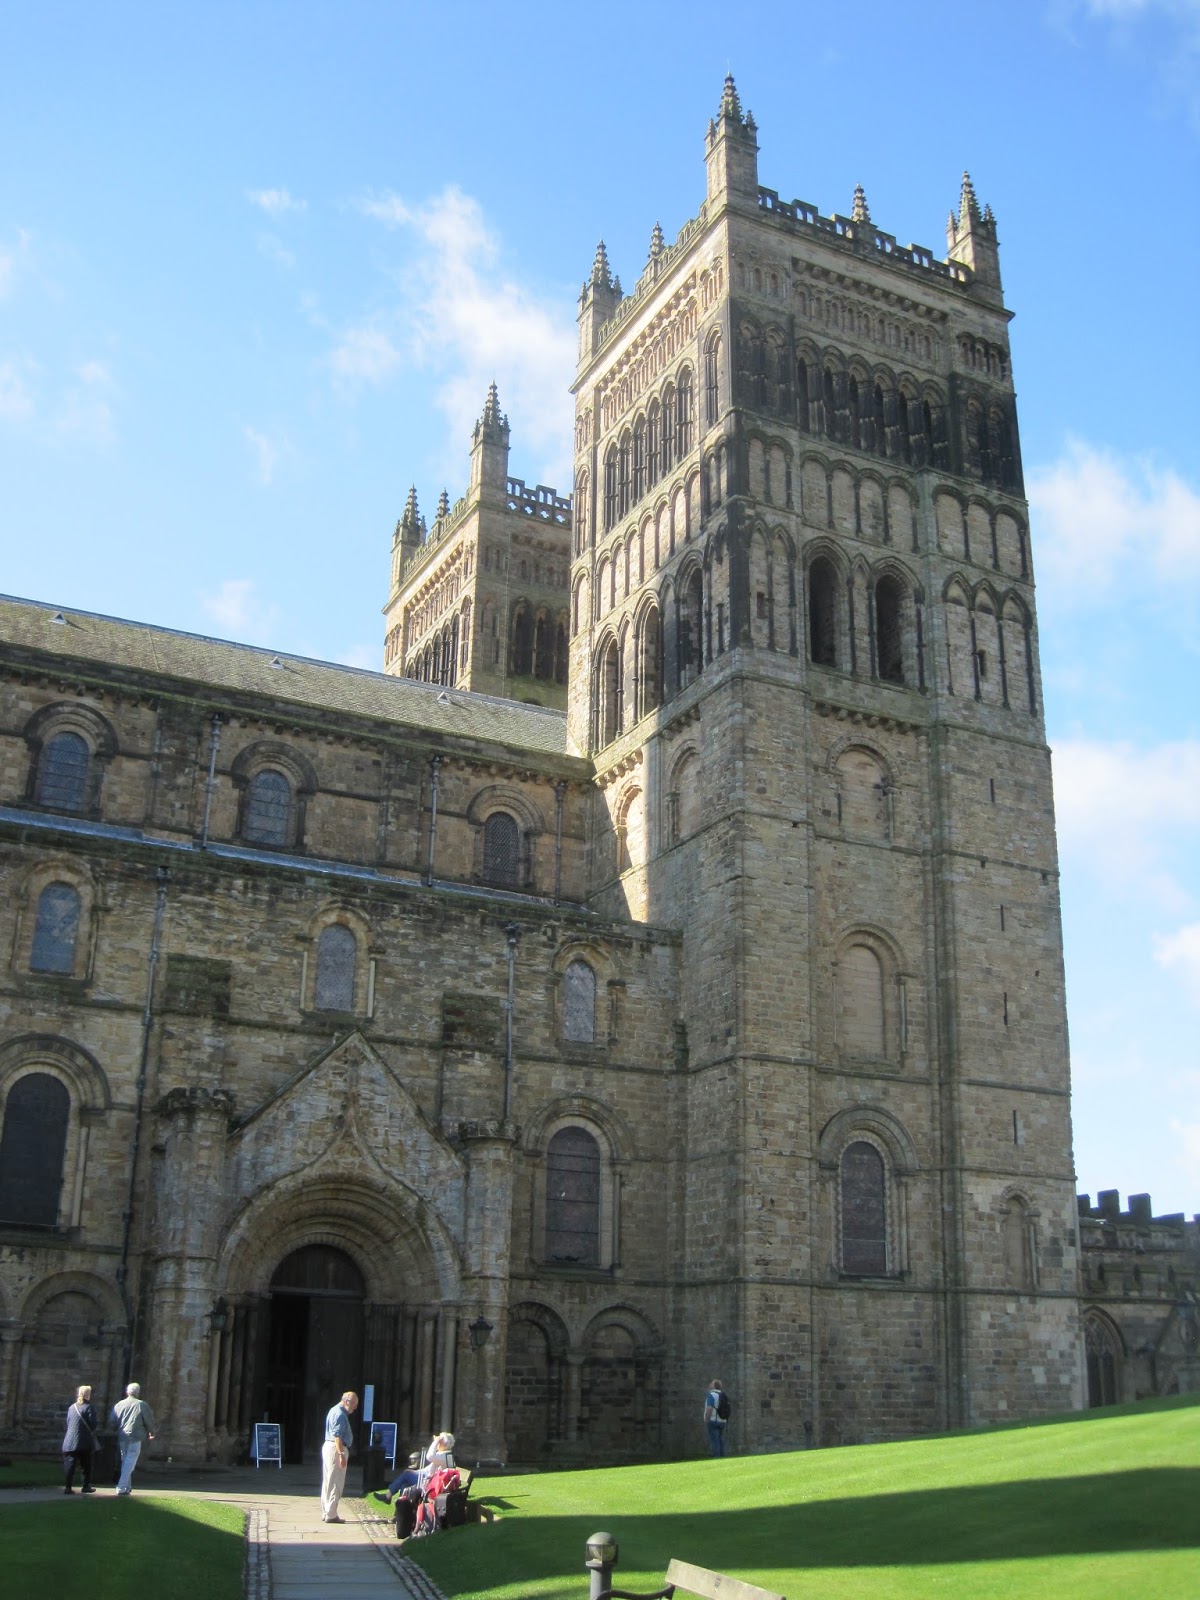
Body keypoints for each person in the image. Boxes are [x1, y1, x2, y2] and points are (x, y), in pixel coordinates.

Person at [111, 1382, 157, 1495]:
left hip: (122, 1436)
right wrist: (152, 1432)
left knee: (126, 1461)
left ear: (127, 1392)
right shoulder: (141, 1404)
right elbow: (148, 1420)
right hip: (135, 1436)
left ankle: (127, 1487)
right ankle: (121, 1487)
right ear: (138, 1392)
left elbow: (112, 1420)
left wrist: (117, 1429)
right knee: (130, 1461)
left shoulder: (119, 1404)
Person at [320, 1390, 358, 1523]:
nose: (355, 1407)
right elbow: (337, 1436)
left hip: (330, 1447)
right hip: (336, 1449)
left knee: (328, 1481)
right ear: (346, 1401)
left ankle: (326, 1512)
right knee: (336, 1481)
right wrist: (341, 1454)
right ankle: (331, 1514)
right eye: (354, 1404)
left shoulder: (333, 1410)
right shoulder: (340, 1414)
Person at [62, 1384, 98, 1494]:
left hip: (69, 1441)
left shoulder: (72, 1407)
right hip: (84, 1441)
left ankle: (68, 1487)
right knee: (86, 1465)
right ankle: (85, 1486)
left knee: (70, 1465)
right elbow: (93, 1424)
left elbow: (68, 1422)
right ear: (88, 1395)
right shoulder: (89, 1407)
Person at [703, 1378, 727, 1457]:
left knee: (714, 1440)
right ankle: (722, 1456)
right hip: (722, 1420)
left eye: (711, 1383)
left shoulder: (712, 1395)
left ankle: (716, 1457)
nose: (710, 1384)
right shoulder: (723, 1395)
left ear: (714, 1386)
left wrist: (707, 1419)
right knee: (720, 1439)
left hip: (713, 1420)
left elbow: (709, 1408)